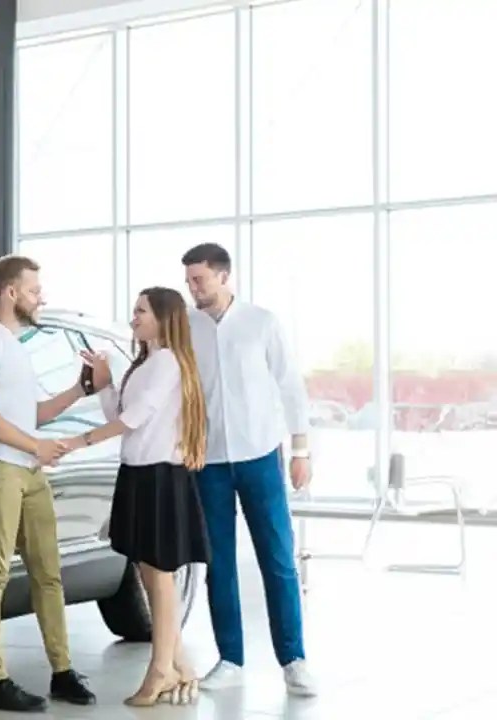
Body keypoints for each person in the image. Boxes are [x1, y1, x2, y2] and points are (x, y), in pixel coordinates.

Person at [0, 254, 97, 712]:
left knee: (48, 574)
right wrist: (34, 447)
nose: (42, 297)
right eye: (35, 290)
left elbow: (30, 414)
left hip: (27, 470)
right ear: (10, 293)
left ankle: (62, 671)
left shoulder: (15, 345)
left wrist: (81, 389)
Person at [180, 242, 317, 697]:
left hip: (261, 455)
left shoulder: (261, 322)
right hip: (208, 461)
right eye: (188, 279)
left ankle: (294, 659)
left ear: (223, 275)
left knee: (277, 560)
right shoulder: (186, 326)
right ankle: (230, 658)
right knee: (218, 564)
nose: (192, 287)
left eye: (198, 278)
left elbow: (290, 385)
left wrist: (301, 449)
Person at [67, 287, 210, 707]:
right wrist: (107, 384)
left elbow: (135, 419)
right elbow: (120, 414)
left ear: (164, 317)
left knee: (159, 577)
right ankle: (179, 662)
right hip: (138, 475)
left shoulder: (167, 361)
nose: (134, 317)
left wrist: (81, 441)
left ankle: (161, 669)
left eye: (141, 311)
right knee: (149, 575)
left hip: (161, 478)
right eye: (134, 310)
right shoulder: (144, 364)